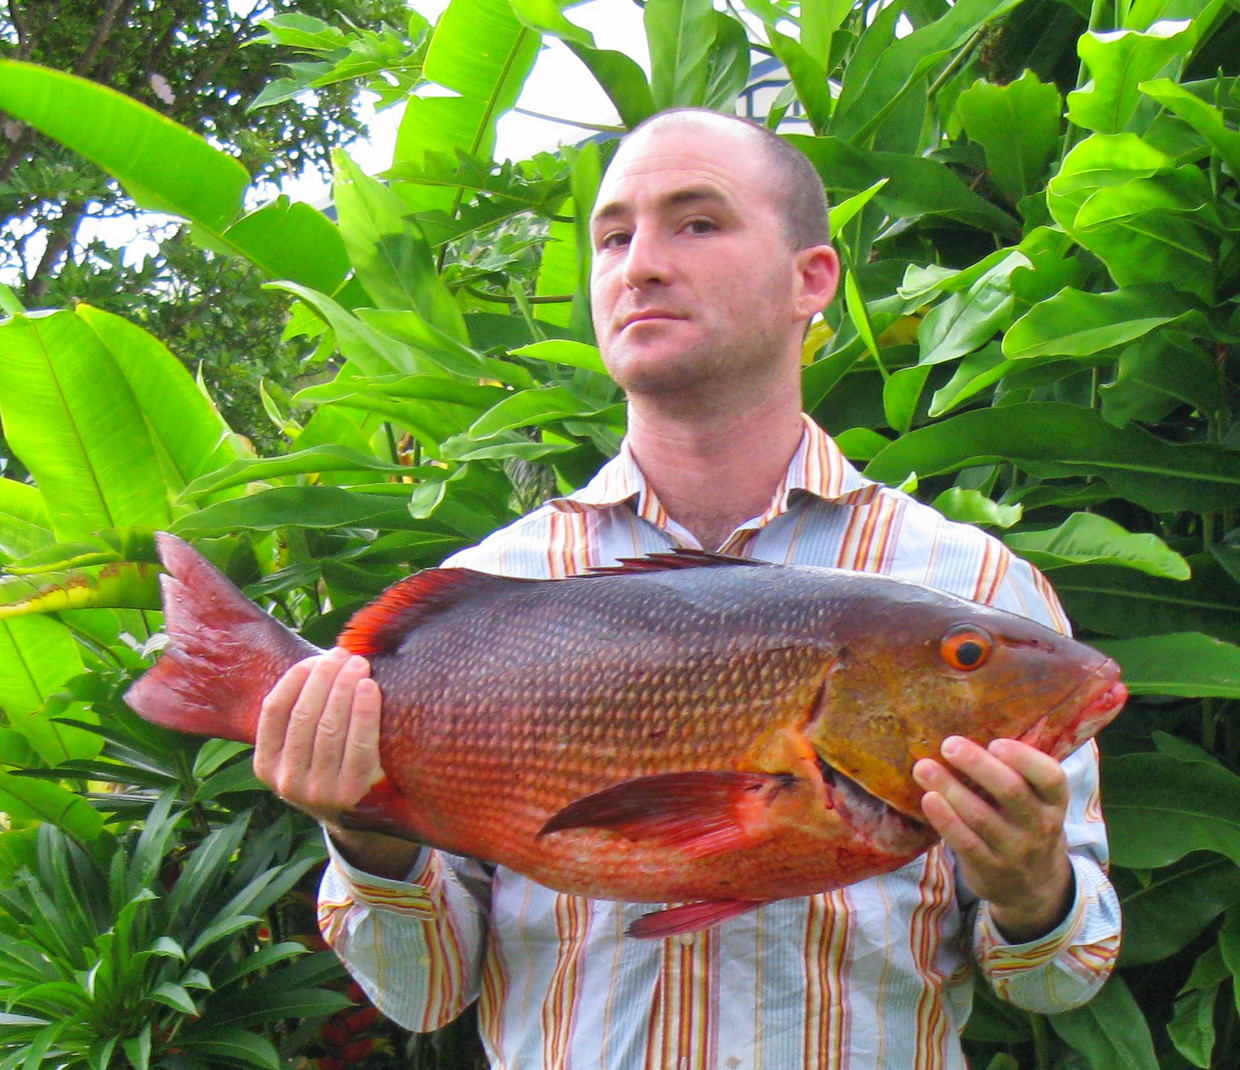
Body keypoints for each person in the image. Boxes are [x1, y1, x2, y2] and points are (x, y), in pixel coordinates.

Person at [253, 109, 1121, 1069]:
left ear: (812, 279)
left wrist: (1035, 884)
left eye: (697, 222)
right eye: (614, 236)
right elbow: (425, 998)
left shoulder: (973, 587)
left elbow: (1059, 976)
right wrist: (362, 831)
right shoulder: (496, 589)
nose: (642, 264)